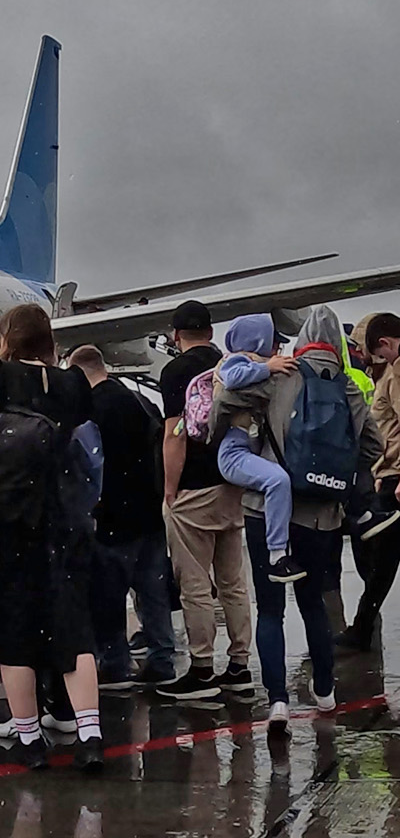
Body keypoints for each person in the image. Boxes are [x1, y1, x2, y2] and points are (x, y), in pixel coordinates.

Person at [209, 306, 381, 731]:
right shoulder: (349, 386)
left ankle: (279, 702)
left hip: (265, 512)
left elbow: (222, 403)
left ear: (301, 338)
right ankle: (325, 691)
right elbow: (373, 447)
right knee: (314, 607)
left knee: (269, 610)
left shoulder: (279, 374)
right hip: (322, 516)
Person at [0, 303, 104, 771]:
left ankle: (29, 739)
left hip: (5, 522)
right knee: (72, 628)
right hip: (60, 518)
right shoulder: (72, 383)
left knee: (12, 632)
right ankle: (90, 735)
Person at [156, 300, 253, 702]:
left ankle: (201, 669)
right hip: (233, 481)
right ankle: (240, 666)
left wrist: (169, 489)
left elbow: (175, 433)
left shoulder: (176, 371)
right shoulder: (230, 366)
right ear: (210, 333)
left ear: (176, 335)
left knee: (195, 584)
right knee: (233, 581)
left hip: (194, 488)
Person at [67, 345, 177, 690]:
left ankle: (115, 664)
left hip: (113, 516)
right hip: (149, 511)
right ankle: (162, 658)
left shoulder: (91, 410)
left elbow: (92, 466)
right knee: (153, 591)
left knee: (108, 594)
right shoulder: (139, 401)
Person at [210, 315, 306, 584]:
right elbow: (232, 378)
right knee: (277, 480)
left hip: (246, 448)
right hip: (234, 451)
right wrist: (269, 368)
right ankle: (277, 555)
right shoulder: (236, 360)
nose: (276, 349)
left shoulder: (252, 360)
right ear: (259, 340)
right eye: (272, 341)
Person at [343, 312, 400, 650]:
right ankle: (363, 626)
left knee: (381, 559)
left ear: (383, 344)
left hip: (393, 477)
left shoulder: (398, 371)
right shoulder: (388, 372)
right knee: (382, 560)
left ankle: (362, 628)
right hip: (387, 474)